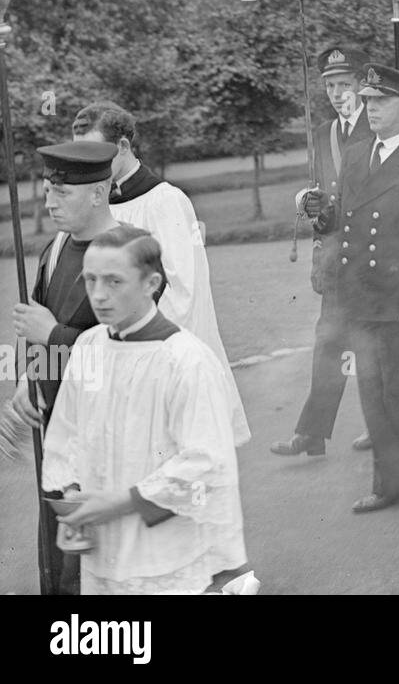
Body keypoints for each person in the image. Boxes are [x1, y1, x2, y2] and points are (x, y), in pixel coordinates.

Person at [39, 225, 249, 595]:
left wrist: (123, 502)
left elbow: (207, 466)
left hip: (166, 554)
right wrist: (70, 497)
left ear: (152, 283)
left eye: (114, 282)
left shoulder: (187, 362)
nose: (98, 295)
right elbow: (65, 437)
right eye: (90, 280)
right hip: (103, 549)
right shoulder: (87, 347)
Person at [304, 64, 399, 512]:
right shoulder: (356, 155)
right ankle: (392, 481)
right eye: (368, 100)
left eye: (380, 101)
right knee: (371, 391)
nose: (369, 108)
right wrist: (322, 213)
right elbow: (343, 221)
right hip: (360, 296)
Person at [72, 103, 249, 446]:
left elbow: (183, 289)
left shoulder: (165, 202)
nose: (89, 163)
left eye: (96, 152)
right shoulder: (94, 202)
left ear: (123, 146)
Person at [2, 141, 121, 594]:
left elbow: (131, 359)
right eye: (48, 189)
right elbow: (35, 325)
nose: (49, 202)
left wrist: (53, 335)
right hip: (60, 438)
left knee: (99, 570)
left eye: (62, 193)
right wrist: (30, 379)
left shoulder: (129, 254)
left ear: (98, 192)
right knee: (59, 567)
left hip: (111, 443)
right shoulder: (54, 250)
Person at [273, 46, 373, 457]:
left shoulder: (378, 124)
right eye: (330, 85)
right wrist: (309, 204)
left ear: (361, 85)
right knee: (329, 342)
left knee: (375, 345)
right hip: (336, 255)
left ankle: (385, 425)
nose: (336, 93)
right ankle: (312, 433)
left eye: (344, 84)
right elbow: (319, 190)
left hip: (373, 254)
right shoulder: (326, 133)